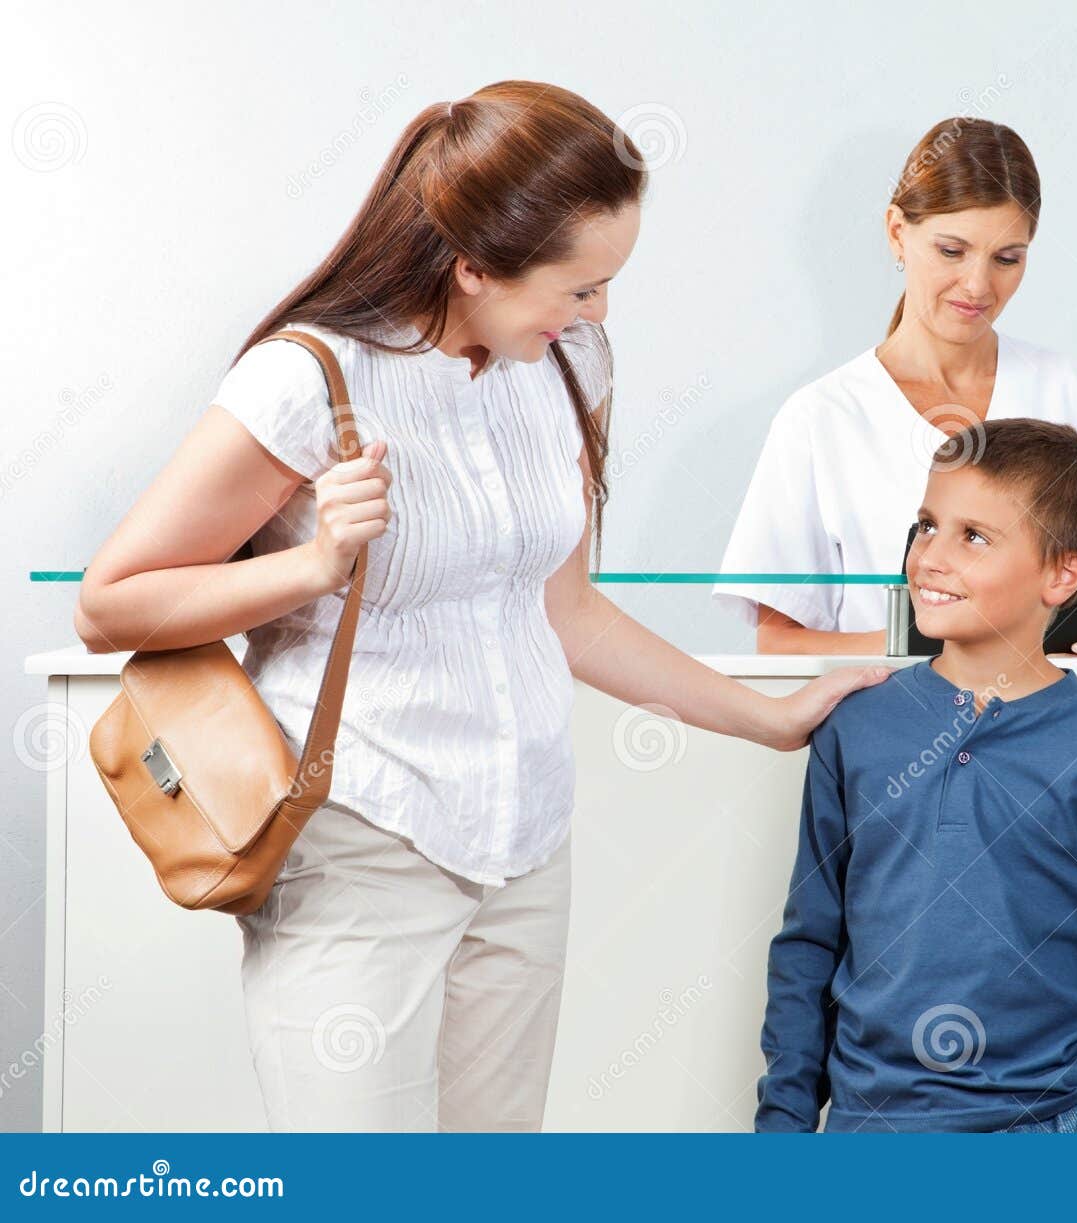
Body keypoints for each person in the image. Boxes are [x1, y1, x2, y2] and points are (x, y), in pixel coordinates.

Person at [73, 81, 889, 1132]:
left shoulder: (562, 364)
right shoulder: (311, 378)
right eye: (579, 288)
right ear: (472, 266)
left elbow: (569, 610)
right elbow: (113, 603)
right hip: (360, 834)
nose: (595, 315)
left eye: (605, 287)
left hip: (523, 844)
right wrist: (315, 563)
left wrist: (765, 716)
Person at [754, 418, 1077, 1133]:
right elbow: (810, 943)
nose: (930, 555)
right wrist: (781, 1127)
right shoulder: (856, 727)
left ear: (1063, 573)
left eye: (973, 537)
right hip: (869, 1131)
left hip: (1056, 1131)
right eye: (926, 525)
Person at [713, 117, 1077, 657]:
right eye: (952, 251)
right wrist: (944, 646)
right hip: (895, 722)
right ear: (897, 231)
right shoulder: (821, 418)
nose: (977, 285)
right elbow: (781, 643)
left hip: (1052, 726)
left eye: (1006, 259)